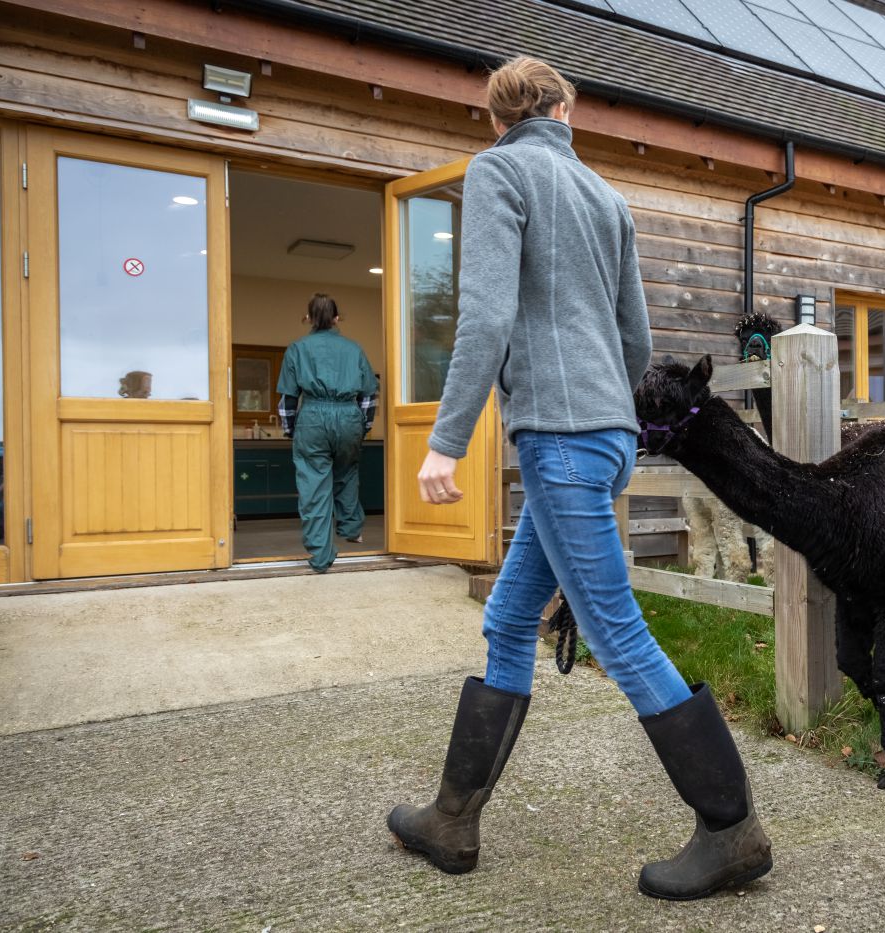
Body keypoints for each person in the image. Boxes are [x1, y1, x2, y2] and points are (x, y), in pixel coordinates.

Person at [385, 55, 773, 900]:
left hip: (557, 438)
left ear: (497, 120)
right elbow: (636, 340)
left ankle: (731, 827)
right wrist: (609, 408)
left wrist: (445, 440)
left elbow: (485, 314)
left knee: (615, 630)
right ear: (566, 112)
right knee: (511, 612)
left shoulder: (497, 170)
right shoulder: (606, 196)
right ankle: (453, 817)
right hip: (603, 435)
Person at [276, 293, 379, 573]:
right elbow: (369, 395)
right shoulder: (354, 349)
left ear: (308, 318)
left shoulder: (297, 349)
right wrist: (363, 426)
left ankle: (321, 556)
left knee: (314, 485)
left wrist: (290, 430)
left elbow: (287, 399)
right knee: (347, 472)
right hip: (348, 416)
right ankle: (352, 528)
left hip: (312, 417)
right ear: (336, 318)